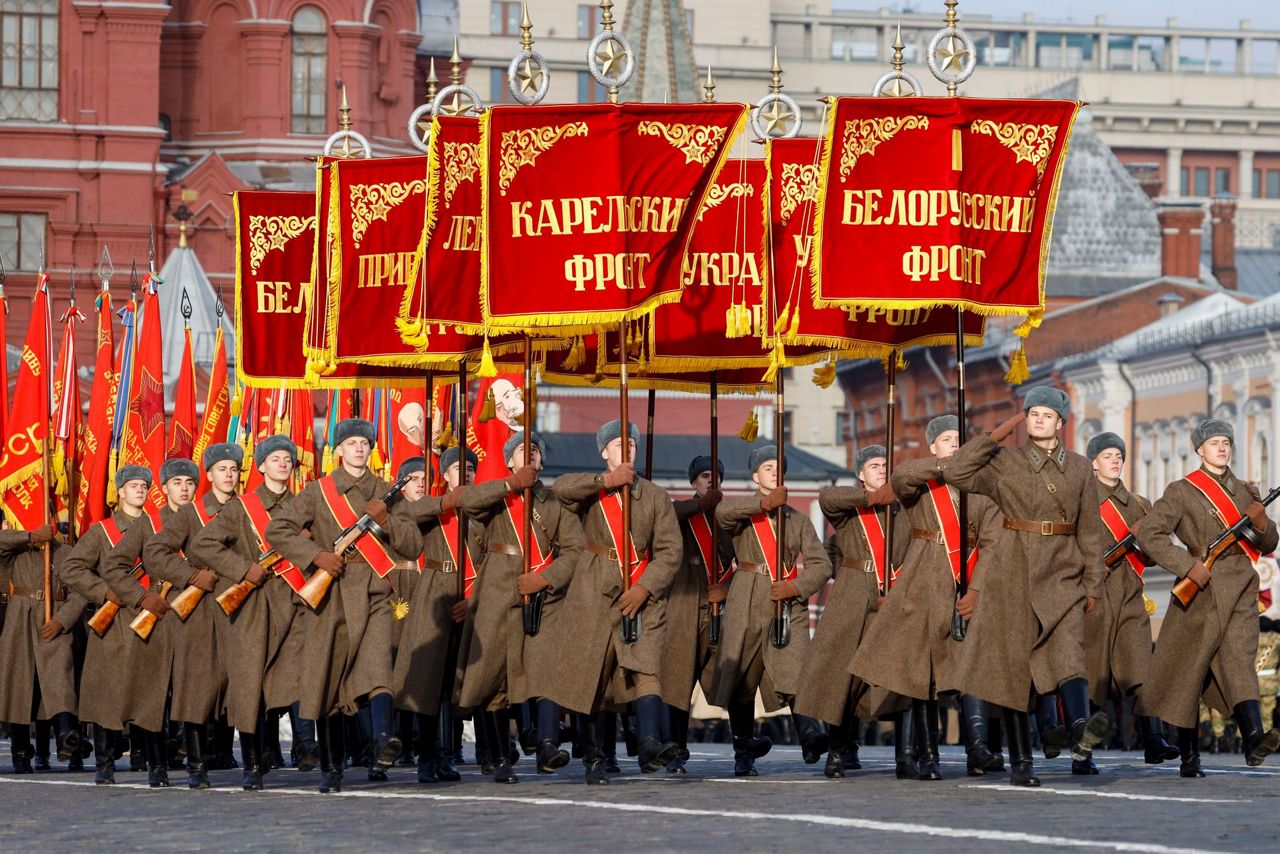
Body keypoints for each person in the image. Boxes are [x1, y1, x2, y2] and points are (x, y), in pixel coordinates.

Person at [946, 387, 1110, 787]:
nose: (1038, 420)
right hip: (1013, 567)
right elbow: (956, 472)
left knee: (1069, 650)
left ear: (1061, 423)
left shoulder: (1078, 468)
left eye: (1047, 414)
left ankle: (1080, 727)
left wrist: (1093, 583)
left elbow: (1090, 530)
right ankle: (1022, 762)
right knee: (1015, 670)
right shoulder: (1006, 461)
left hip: (1062, 568)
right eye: (1032, 413)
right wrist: (992, 437)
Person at [265, 418, 423, 793]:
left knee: (378, 665)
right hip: (330, 593)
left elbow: (413, 544)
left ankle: (384, 740)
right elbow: (278, 530)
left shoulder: (386, 492)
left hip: (372, 590)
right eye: (350, 443)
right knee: (329, 680)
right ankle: (331, 767)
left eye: (364, 443)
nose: (358, 449)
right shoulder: (319, 492)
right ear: (337, 450)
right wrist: (316, 556)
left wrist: (387, 522)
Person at [852, 419, 1005, 780]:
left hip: (963, 586)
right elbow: (901, 477)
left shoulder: (982, 488)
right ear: (933, 447)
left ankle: (978, 749)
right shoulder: (922, 484)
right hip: (922, 584)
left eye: (958, 440)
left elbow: (993, 543)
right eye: (946, 440)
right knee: (923, 677)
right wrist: (945, 466)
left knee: (970, 668)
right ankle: (928, 755)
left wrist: (977, 590)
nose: (954, 445)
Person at [1135, 419, 1280, 777]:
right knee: (1191, 670)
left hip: (1241, 585)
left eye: (1226, 442)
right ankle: (1189, 756)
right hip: (1201, 585)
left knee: (1239, 660)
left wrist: (1262, 523)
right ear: (1199, 449)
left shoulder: (1245, 492)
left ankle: (1253, 739)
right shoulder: (1182, 491)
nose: (1221, 448)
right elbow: (1151, 534)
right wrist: (1186, 566)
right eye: (1214, 442)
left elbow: (1269, 542)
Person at [551, 419, 682, 784]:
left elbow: (670, 552)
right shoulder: (592, 491)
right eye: (619, 445)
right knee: (593, 675)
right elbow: (561, 490)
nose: (628, 451)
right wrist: (606, 482)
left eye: (633, 445)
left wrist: (645, 587)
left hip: (640, 591)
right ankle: (594, 757)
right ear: (604, 452)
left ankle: (651, 743)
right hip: (595, 587)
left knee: (647, 667)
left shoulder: (655, 497)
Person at [456, 431, 585, 779]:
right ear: (509, 460)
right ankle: (499, 757)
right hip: (498, 588)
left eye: (535, 453)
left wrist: (545, 579)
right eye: (522, 452)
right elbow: (468, 503)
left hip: (543, 596)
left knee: (546, 669)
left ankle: (547, 744)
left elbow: (575, 549)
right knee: (494, 678)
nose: (530, 458)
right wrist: (510, 484)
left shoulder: (555, 502)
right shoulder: (498, 495)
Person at [188, 434, 313, 790]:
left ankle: (308, 746)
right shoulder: (242, 507)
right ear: (260, 467)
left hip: (296, 601)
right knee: (250, 685)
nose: (283, 464)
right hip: (254, 602)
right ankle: (253, 763)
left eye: (288, 459)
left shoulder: (304, 503)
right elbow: (203, 543)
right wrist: (243, 569)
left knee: (303, 672)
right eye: (275, 459)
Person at [710, 444, 833, 777]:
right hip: (747, 595)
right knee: (744, 680)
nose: (774, 472)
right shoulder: (742, 511)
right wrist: (763, 504)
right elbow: (722, 516)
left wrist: (797, 587)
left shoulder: (798, 520)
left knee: (797, 668)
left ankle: (809, 736)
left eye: (778, 467)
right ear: (755, 475)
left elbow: (821, 565)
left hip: (786, 600)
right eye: (767, 467)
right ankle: (743, 751)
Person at [795, 444, 906, 779]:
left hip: (891, 593)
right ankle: (838, 751)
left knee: (897, 674)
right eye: (874, 466)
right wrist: (872, 498)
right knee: (841, 677)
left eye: (886, 465)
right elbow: (828, 497)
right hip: (853, 592)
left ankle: (907, 756)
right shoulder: (850, 508)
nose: (882, 471)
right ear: (860, 473)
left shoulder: (901, 509)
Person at [142, 443, 242, 789]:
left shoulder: (251, 509)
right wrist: (188, 575)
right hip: (200, 608)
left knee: (243, 681)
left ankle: (254, 759)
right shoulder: (191, 514)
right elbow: (155, 552)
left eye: (234, 469)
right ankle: (196, 764)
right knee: (196, 686)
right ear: (211, 475)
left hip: (243, 603)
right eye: (222, 469)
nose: (229, 476)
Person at [99, 457, 201, 787]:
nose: (184, 489)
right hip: (159, 614)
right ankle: (157, 764)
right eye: (177, 483)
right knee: (154, 692)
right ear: (165, 487)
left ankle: (197, 764)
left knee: (195, 690)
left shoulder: (207, 520)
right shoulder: (148, 523)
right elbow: (114, 567)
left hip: (199, 613)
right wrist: (141, 598)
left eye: (189, 484)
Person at [1083, 431, 1179, 772]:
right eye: (1107, 455)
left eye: (1118, 455)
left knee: (1141, 667)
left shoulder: (1139, 505)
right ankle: (1084, 753)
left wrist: (1142, 539)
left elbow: (1151, 557)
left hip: (1129, 593)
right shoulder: (1082, 500)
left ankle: (1154, 741)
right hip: (1093, 594)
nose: (1115, 460)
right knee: (1094, 678)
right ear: (1093, 463)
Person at [393, 448, 487, 783]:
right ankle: (427, 756)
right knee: (428, 680)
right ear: (444, 475)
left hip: (471, 596)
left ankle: (448, 754)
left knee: (454, 684)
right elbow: (407, 513)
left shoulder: (483, 511)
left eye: (471, 469)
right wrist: (447, 502)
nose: (466, 475)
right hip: (435, 591)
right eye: (458, 469)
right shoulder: (433, 507)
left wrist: (475, 598)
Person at [59, 465, 157, 785]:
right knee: (105, 694)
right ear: (120, 492)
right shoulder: (102, 532)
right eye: (133, 486)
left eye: (144, 485)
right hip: (113, 620)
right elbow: (72, 568)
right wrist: (103, 591)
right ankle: (105, 762)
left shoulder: (157, 528)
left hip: (148, 617)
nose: (140, 490)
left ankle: (150, 759)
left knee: (148, 691)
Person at [660, 455, 734, 775]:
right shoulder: (680, 511)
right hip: (684, 605)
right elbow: (664, 517)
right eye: (705, 476)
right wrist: (700, 506)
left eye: (716, 476)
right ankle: (675, 748)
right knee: (679, 681)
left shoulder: (727, 517)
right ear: (693, 483)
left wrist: (728, 590)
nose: (711, 481)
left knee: (734, 676)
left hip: (718, 605)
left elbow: (739, 558)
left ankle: (744, 743)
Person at [0, 518, 85, 773]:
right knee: (20, 687)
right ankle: (21, 751)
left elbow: (80, 591)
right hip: (20, 619)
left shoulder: (68, 552)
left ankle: (66, 735)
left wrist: (62, 621)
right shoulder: (16, 550)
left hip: (55, 617)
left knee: (61, 678)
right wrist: (29, 536)